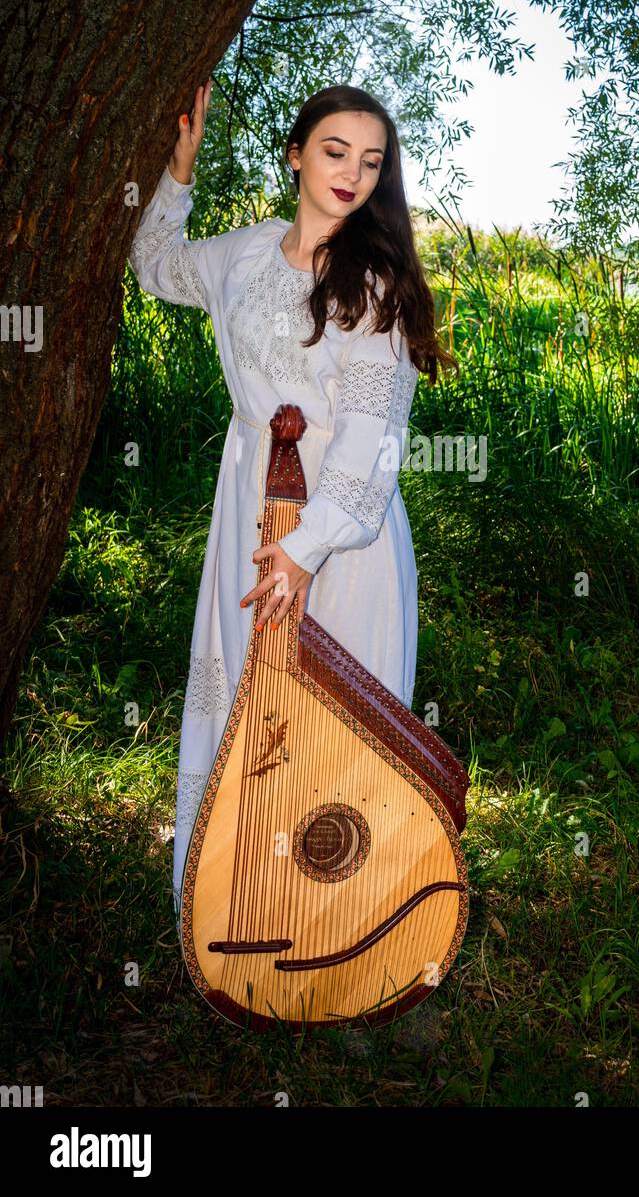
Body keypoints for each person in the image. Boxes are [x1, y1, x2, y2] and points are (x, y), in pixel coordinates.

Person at [128, 81, 456, 928]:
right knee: (245, 694)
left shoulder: (373, 284)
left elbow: (373, 433)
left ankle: (345, 935)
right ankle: (234, 908)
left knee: (335, 723)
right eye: (336, 150)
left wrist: (305, 549)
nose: (352, 172)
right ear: (297, 152)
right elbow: (157, 265)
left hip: (340, 534)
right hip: (247, 502)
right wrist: (178, 172)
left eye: (371, 162)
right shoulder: (242, 254)